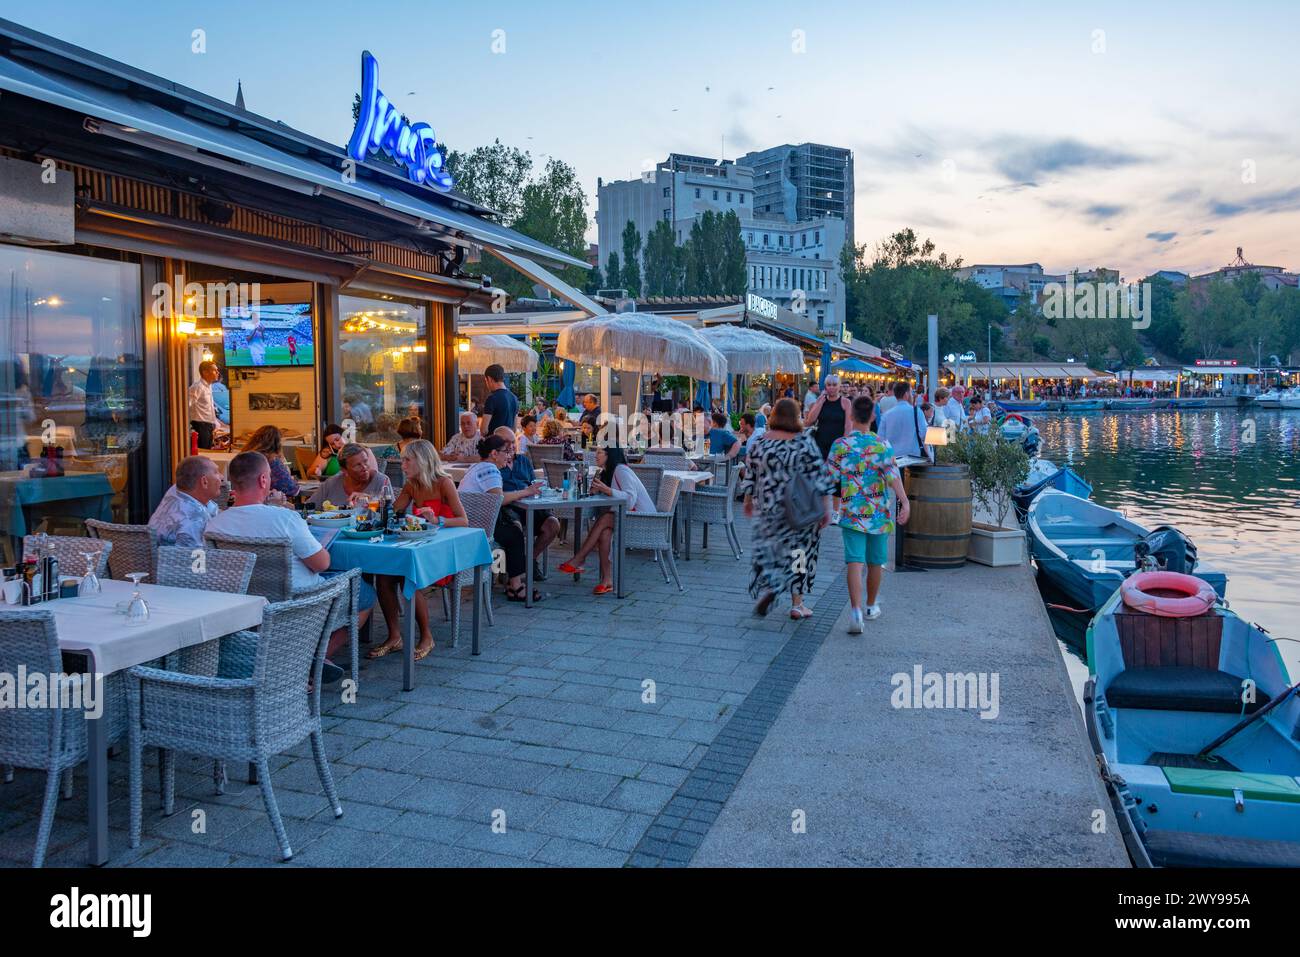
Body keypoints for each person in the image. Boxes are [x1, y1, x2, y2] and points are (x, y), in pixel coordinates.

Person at [206, 451, 375, 682]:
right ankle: (312, 659)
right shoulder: (284, 519)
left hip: (246, 601)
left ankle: (296, 659)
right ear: (263, 480)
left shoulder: (215, 523)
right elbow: (322, 563)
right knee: (365, 593)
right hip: (301, 600)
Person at [369, 439, 467, 662]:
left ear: (422, 461)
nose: (402, 465)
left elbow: (463, 520)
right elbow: (394, 512)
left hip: (443, 552)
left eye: (407, 460)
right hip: (421, 546)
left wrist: (438, 520)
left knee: (407, 576)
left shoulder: (444, 483)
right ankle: (395, 636)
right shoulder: (412, 484)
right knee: (384, 576)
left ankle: (426, 636)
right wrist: (371, 505)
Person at [742, 398, 835, 620]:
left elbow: (750, 475)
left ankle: (772, 585)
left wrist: (747, 501)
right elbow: (820, 478)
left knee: (771, 549)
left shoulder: (760, 443)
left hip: (769, 509)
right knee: (800, 553)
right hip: (801, 511)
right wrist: (826, 509)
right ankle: (797, 603)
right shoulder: (804, 442)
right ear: (796, 417)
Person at [828, 396, 911, 632]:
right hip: (879, 513)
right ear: (874, 416)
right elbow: (893, 477)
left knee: (854, 561)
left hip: (851, 511)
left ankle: (855, 612)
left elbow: (828, 480)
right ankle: (871, 605)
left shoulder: (840, 446)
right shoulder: (883, 445)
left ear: (851, 416)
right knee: (876, 561)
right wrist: (904, 503)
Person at [457, 434, 544, 603]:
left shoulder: (477, 467)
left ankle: (508, 581)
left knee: (512, 528)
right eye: (505, 451)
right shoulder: (490, 469)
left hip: (469, 524)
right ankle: (516, 586)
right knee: (515, 535)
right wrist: (527, 491)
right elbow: (499, 500)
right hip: (477, 528)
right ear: (494, 453)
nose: (509, 455)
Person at [558, 446, 653, 595]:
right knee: (605, 532)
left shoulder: (621, 470)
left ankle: (580, 558)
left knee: (606, 518)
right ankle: (607, 580)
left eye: (599, 453)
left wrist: (607, 490)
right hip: (626, 516)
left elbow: (630, 500)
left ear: (610, 455)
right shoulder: (607, 472)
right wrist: (597, 491)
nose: (595, 456)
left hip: (643, 520)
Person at [494, 426, 560, 584]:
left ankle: (528, 561)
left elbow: (533, 484)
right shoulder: (494, 464)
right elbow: (497, 497)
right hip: (507, 507)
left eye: (513, 441)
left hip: (529, 505)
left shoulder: (523, 460)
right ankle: (509, 572)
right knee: (514, 527)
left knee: (553, 524)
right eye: (506, 442)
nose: (511, 445)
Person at [148, 455, 222, 547]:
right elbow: (196, 559)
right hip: (175, 560)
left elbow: (212, 510)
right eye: (216, 472)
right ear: (204, 482)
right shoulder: (195, 520)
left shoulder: (175, 492)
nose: (221, 477)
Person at [309, 443, 392, 508]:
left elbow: (391, 513)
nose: (364, 467)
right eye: (357, 465)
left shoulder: (381, 481)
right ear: (344, 470)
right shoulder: (331, 484)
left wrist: (370, 500)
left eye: (366, 461)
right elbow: (309, 507)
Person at [804, 373, 852, 460]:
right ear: (825, 387)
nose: (831, 387)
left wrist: (844, 445)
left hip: (838, 444)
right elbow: (810, 421)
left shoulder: (846, 402)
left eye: (834, 385)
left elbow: (848, 426)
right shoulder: (821, 400)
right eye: (829, 385)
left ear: (839, 387)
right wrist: (820, 402)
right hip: (820, 443)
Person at [243, 425, 300, 498]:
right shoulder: (272, 461)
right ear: (277, 443)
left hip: (244, 500)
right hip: (265, 503)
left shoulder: (244, 457)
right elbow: (291, 489)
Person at [878, 381, 928, 459]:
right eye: (911, 393)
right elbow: (924, 435)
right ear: (906, 394)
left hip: (892, 456)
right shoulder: (916, 412)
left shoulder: (886, 415)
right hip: (913, 456)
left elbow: (880, 439)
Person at [187, 360, 221, 450]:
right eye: (215, 370)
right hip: (200, 426)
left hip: (208, 426)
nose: (218, 372)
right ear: (205, 372)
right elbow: (186, 405)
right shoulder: (197, 387)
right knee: (203, 452)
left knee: (207, 451)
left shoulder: (208, 386)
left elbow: (208, 408)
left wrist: (215, 424)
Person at [480, 363, 518, 436]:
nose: (486, 384)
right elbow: (514, 429)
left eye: (486, 380)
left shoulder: (492, 398)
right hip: (508, 444)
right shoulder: (514, 398)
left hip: (494, 444)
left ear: (489, 379)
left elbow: (483, 430)